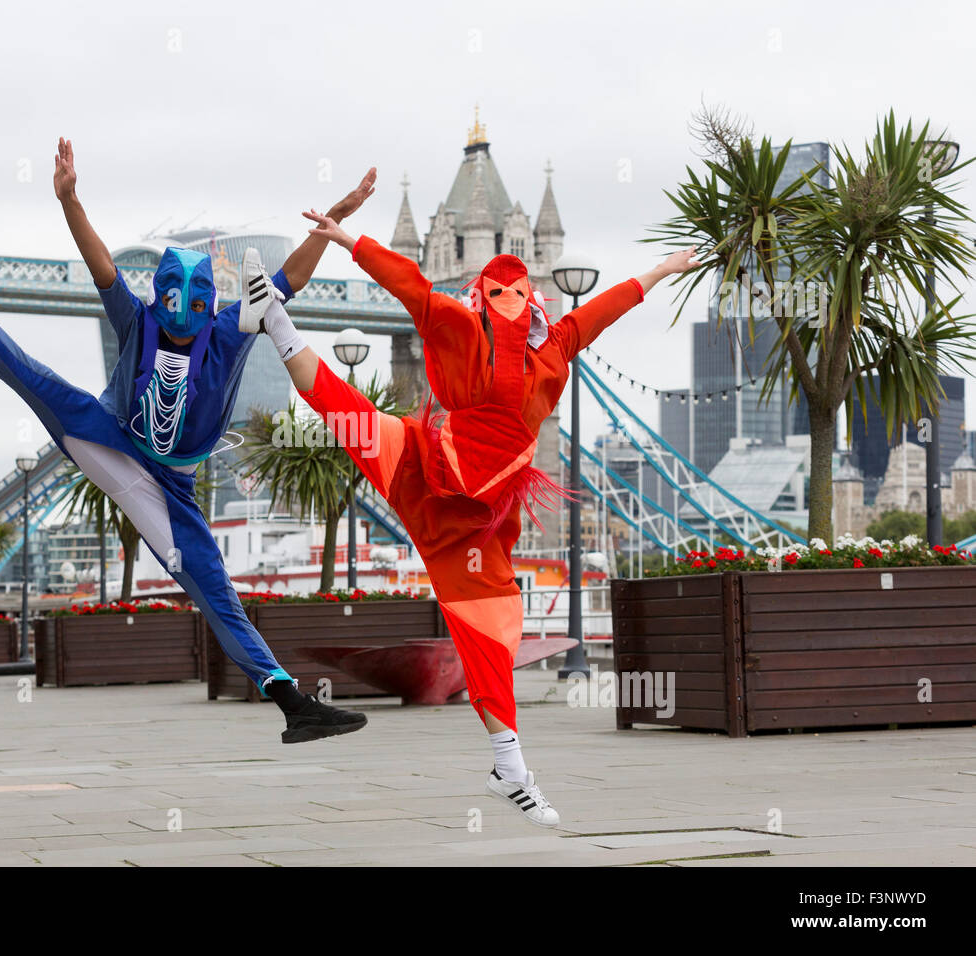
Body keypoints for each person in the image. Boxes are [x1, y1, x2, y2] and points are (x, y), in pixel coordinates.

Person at [0, 138, 379, 744]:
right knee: (39, 382)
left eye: (193, 307)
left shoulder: (229, 330)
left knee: (211, 584)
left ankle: (291, 704)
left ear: (209, 302)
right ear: (160, 298)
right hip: (117, 439)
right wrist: (70, 201)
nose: (181, 321)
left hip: (173, 484)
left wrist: (336, 218)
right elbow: (101, 264)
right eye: (172, 305)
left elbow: (289, 277)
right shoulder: (144, 321)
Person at [249, 204, 698, 820]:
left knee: (492, 637)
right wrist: (349, 238)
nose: (514, 306)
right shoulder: (485, 334)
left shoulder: (541, 343)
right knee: (342, 410)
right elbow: (411, 283)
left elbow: (603, 308)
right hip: (429, 468)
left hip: (467, 514)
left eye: (520, 296)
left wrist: (663, 269)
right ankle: (271, 316)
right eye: (504, 296)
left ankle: (509, 768)